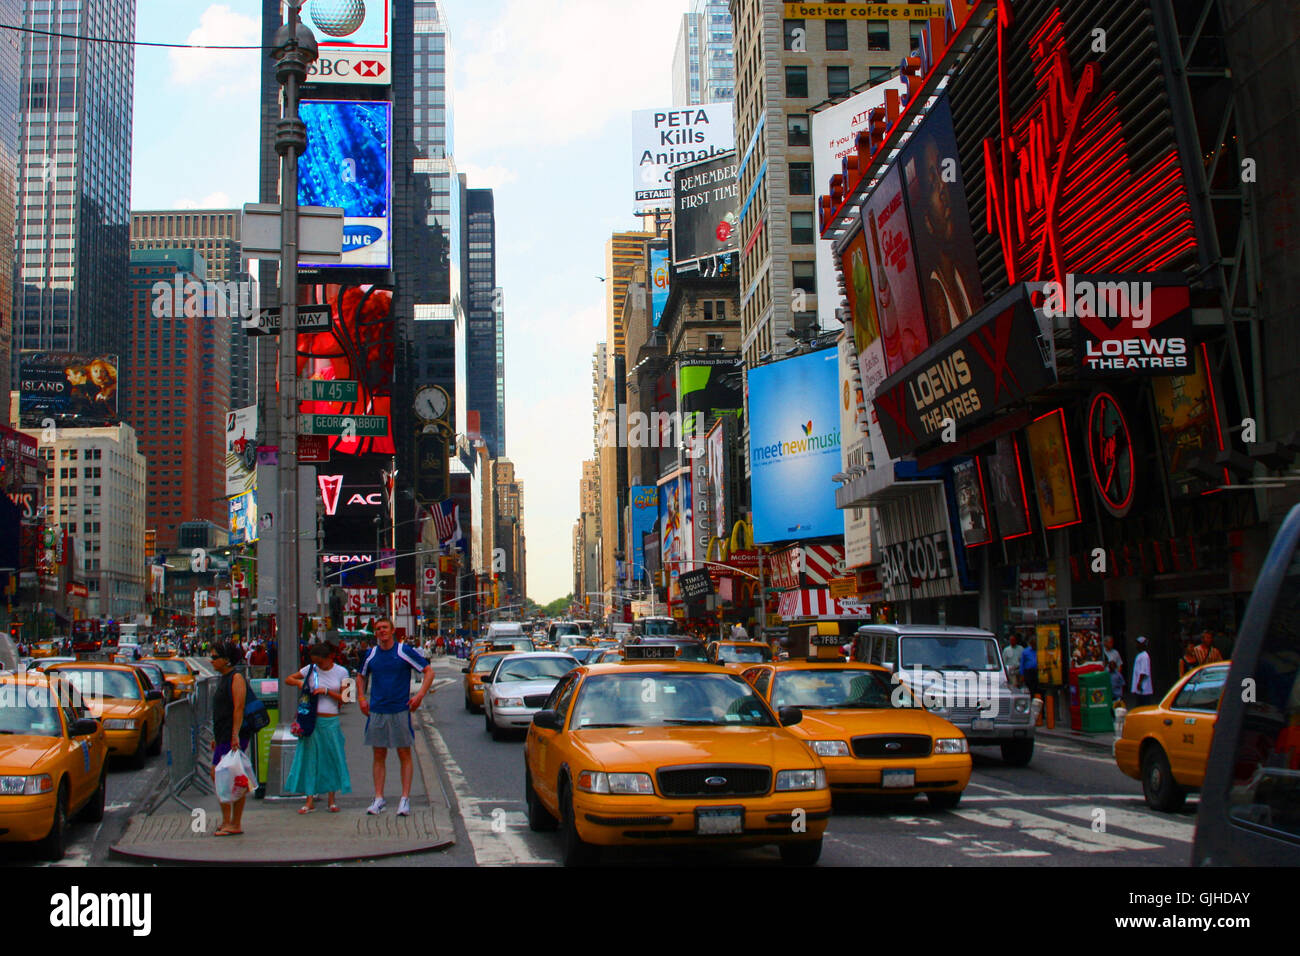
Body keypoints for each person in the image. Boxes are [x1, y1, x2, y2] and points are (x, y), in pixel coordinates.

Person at [357, 618, 434, 817]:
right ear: (375, 633)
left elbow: (428, 671)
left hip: (400, 710)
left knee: (404, 754)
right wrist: (361, 698)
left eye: (384, 628)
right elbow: (360, 675)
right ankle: (379, 798)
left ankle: (405, 799)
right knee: (378, 755)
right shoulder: (371, 654)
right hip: (377, 710)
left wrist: (419, 696)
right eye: (378, 629)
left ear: (392, 631)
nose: (381, 631)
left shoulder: (403, 651)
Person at [284, 641, 352, 813]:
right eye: (315, 662)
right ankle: (309, 798)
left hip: (330, 721)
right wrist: (301, 684)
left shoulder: (342, 671)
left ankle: (331, 799)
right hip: (311, 720)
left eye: (320, 662)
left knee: (331, 757)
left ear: (329, 658)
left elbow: (347, 698)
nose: (318, 666)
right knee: (310, 758)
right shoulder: (310, 669)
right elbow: (288, 679)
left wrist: (327, 691)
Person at [210, 640, 250, 836]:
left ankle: (233, 822)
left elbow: (238, 708)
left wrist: (235, 734)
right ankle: (229, 821)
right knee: (225, 776)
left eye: (215, 657)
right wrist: (216, 738)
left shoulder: (236, 678)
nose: (211, 661)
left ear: (226, 660)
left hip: (233, 735)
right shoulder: (224, 678)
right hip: (224, 735)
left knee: (227, 777)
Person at [1131, 636, 1154, 706]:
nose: (1136, 645)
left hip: (1144, 688)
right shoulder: (1140, 655)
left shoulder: (1144, 656)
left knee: (1144, 705)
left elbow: (1143, 671)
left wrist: (1139, 683)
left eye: (1138, 643)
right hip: (1140, 688)